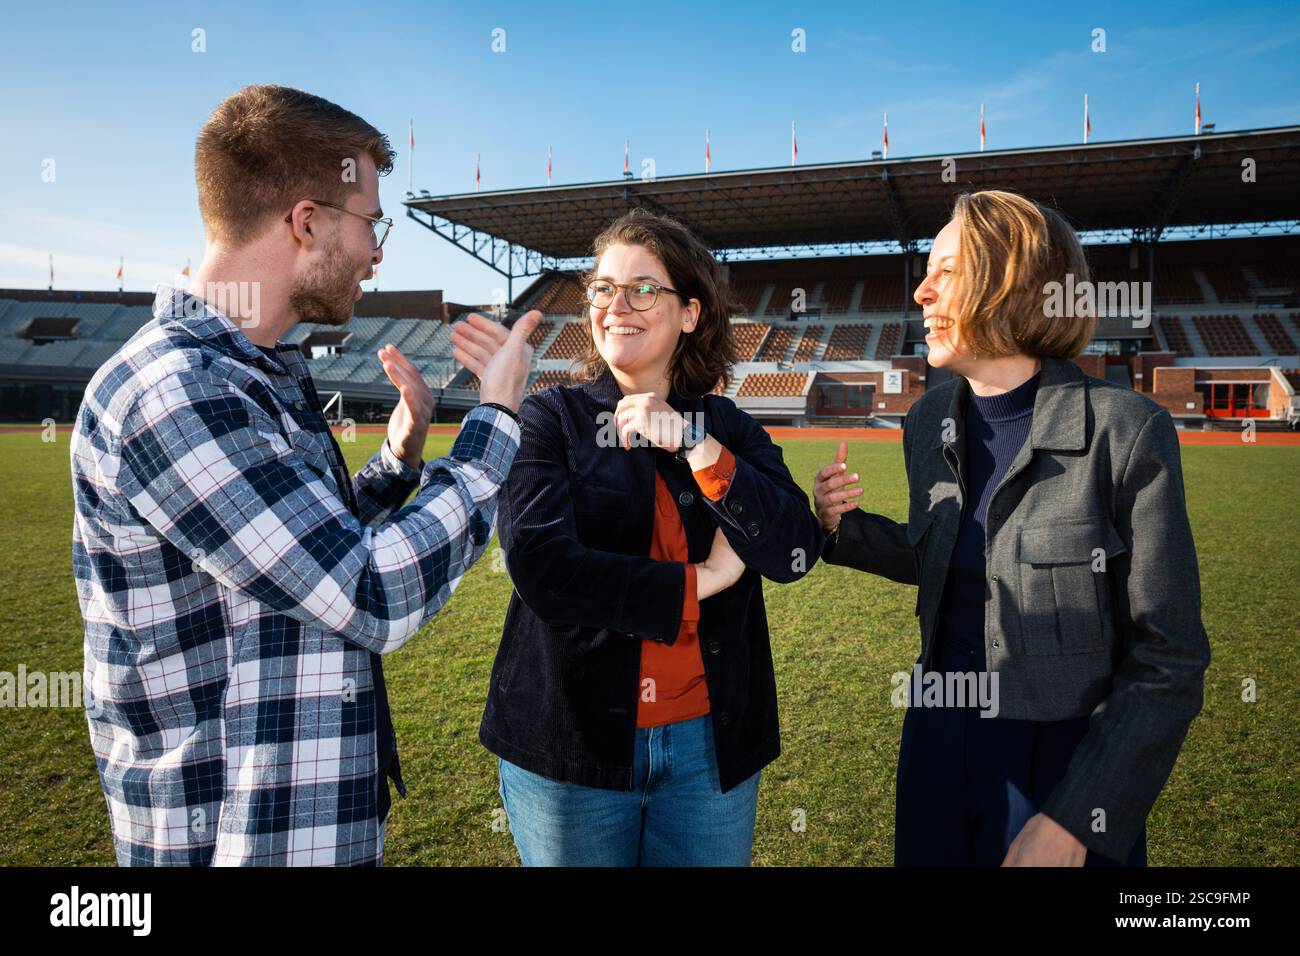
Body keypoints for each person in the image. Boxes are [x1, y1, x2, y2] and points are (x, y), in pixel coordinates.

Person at [72, 84, 538, 866]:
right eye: (371, 223)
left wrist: (397, 464)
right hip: (237, 841)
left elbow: (292, 551)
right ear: (308, 220)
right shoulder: (176, 391)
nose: (378, 250)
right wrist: (497, 421)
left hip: (302, 829)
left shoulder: (252, 375)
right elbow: (365, 591)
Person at [814, 189, 1211, 866]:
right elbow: (946, 555)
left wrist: (1075, 821)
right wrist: (841, 529)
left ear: (1011, 282)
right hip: (936, 737)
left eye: (947, 271)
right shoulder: (925, 421)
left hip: (1062, 763)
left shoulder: (1127, 430)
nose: (921, 293)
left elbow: (1168, 657)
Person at [475, 208, 825, 865]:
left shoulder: (727, 427)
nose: (618, 304)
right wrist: (704, 581)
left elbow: (793, 549)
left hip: (708, 748)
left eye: (643, 288)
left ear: (690, 313)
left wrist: (698, 447)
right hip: (573, 749)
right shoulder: (552, 419)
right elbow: (545, 569)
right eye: (604, 289)